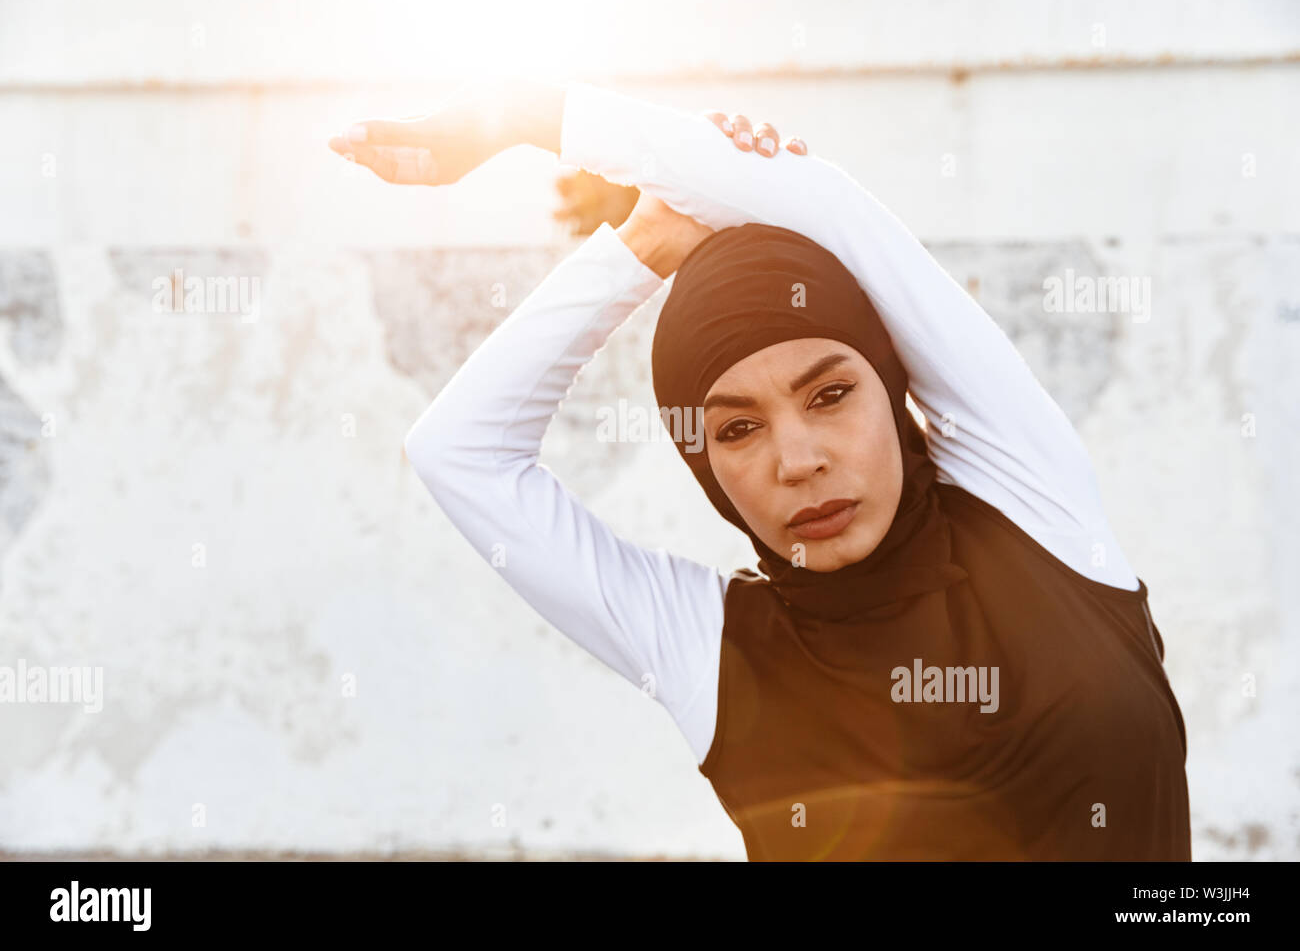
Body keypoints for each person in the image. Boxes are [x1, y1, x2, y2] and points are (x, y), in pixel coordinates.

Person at [329, 80, 1191, 860]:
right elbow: (460, 452)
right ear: (703, 464)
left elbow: (826, 206)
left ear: (893, 389)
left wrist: (521, 115)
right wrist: (642, 246)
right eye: (737, 428)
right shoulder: (711, 651)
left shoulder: (1037, 508)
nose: (798, 461)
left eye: (831, 396)